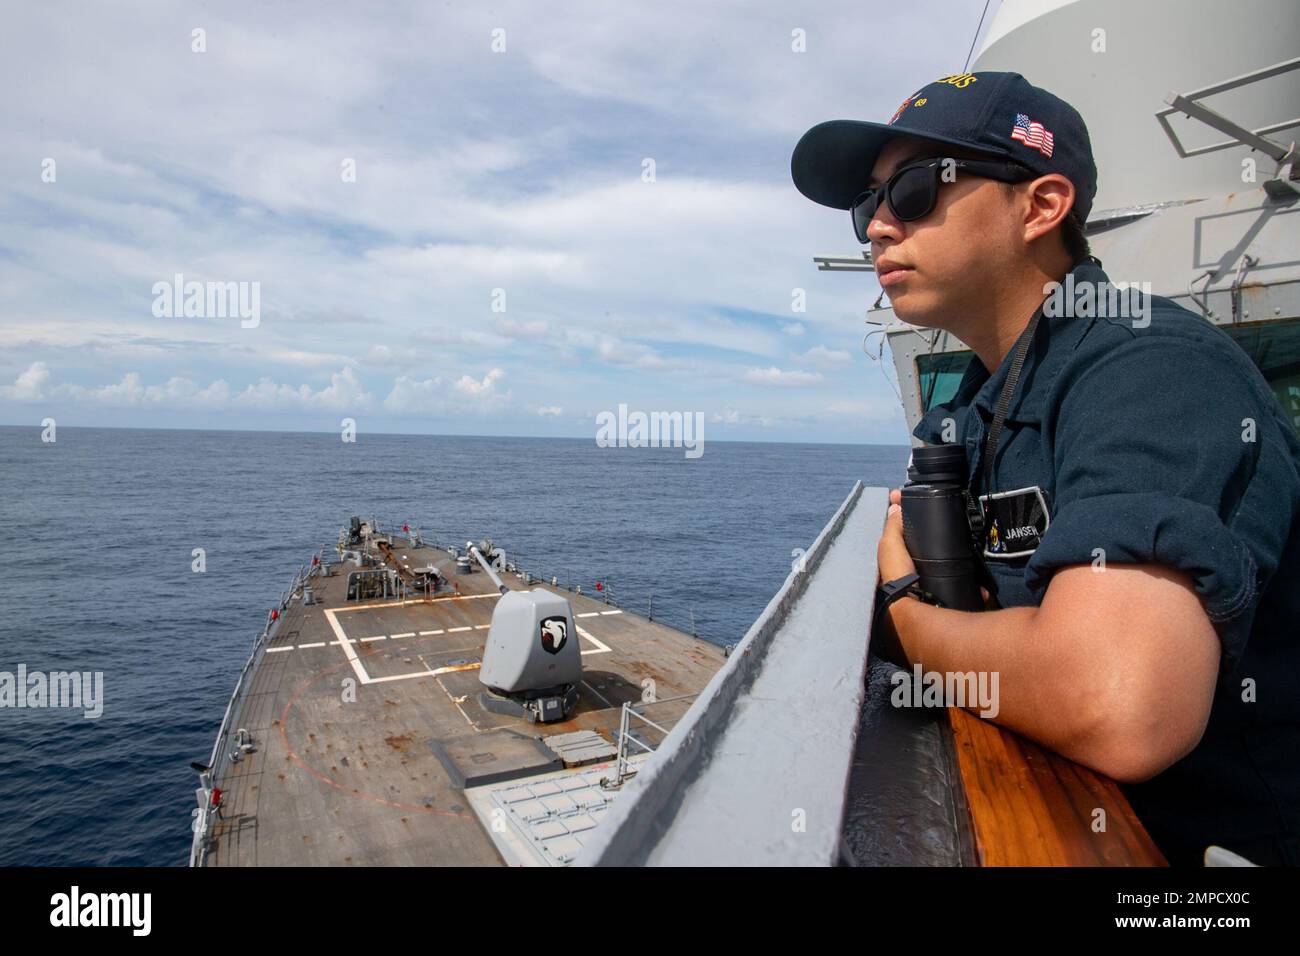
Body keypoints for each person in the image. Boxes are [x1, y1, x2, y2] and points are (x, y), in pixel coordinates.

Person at [791, 72, 1300, 866]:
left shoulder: (1151, 369)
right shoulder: (974, 403)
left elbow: (1118, 704)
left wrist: (905, 616)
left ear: (1042, 205)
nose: (877, 229)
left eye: (915, 191)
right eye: (869, 205)